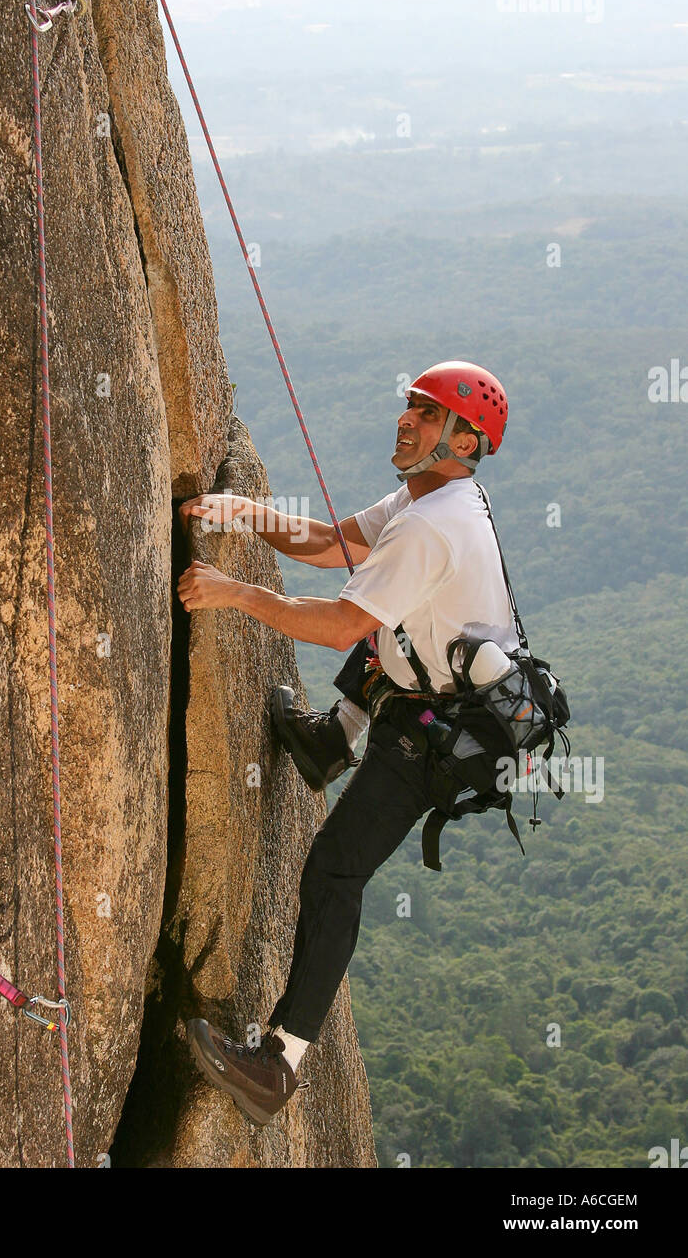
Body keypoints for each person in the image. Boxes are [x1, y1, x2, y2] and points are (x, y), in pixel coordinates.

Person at [176, 361, 517, 1128]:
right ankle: (333, 740)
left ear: (465, 440)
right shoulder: (430, 494)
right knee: (382, 619)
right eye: (411, 406)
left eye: (428, 415)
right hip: (424, 689)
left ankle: (278, 1067)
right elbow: (333, 543)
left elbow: (338, 623)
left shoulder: (435, 525)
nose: (407, 420)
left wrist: (238, 594)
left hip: (439, 739)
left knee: (335, 868)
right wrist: (244, 512)